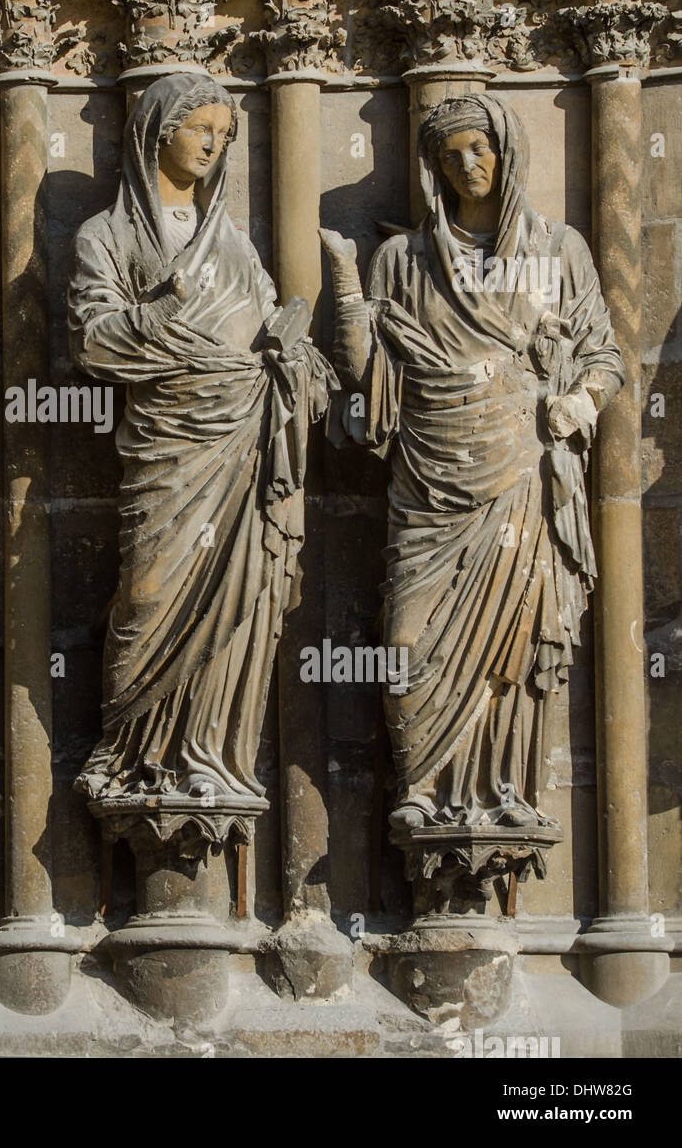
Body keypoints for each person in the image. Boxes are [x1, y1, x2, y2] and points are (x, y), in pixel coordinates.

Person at [321, 93, 624, 833]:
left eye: (478, 148)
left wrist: (582, 398)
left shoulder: (557, 250)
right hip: (427, 480)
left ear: (507, 150)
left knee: (513, 645)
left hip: (520, 475)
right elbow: (365, 375)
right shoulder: (403, 259)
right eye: (449, 155)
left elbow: (603, 353)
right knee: (406, 639)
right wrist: (344, 285)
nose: (466, 165)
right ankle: (420, 784)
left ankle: (502, 792)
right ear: (431, 168)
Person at [69, 71, 334, 801]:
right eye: (199, 129)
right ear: (158, 132)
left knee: (239, 602)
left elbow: (263, 338)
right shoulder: (108, 236)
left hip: (241, 439)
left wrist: (292, 358)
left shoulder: (236, 246)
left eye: (223, 134)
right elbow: (92, 343)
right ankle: (128, 750)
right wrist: (152, 315)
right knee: (148, 592)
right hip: (168, 449)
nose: (212, 145)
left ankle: (208, 753)